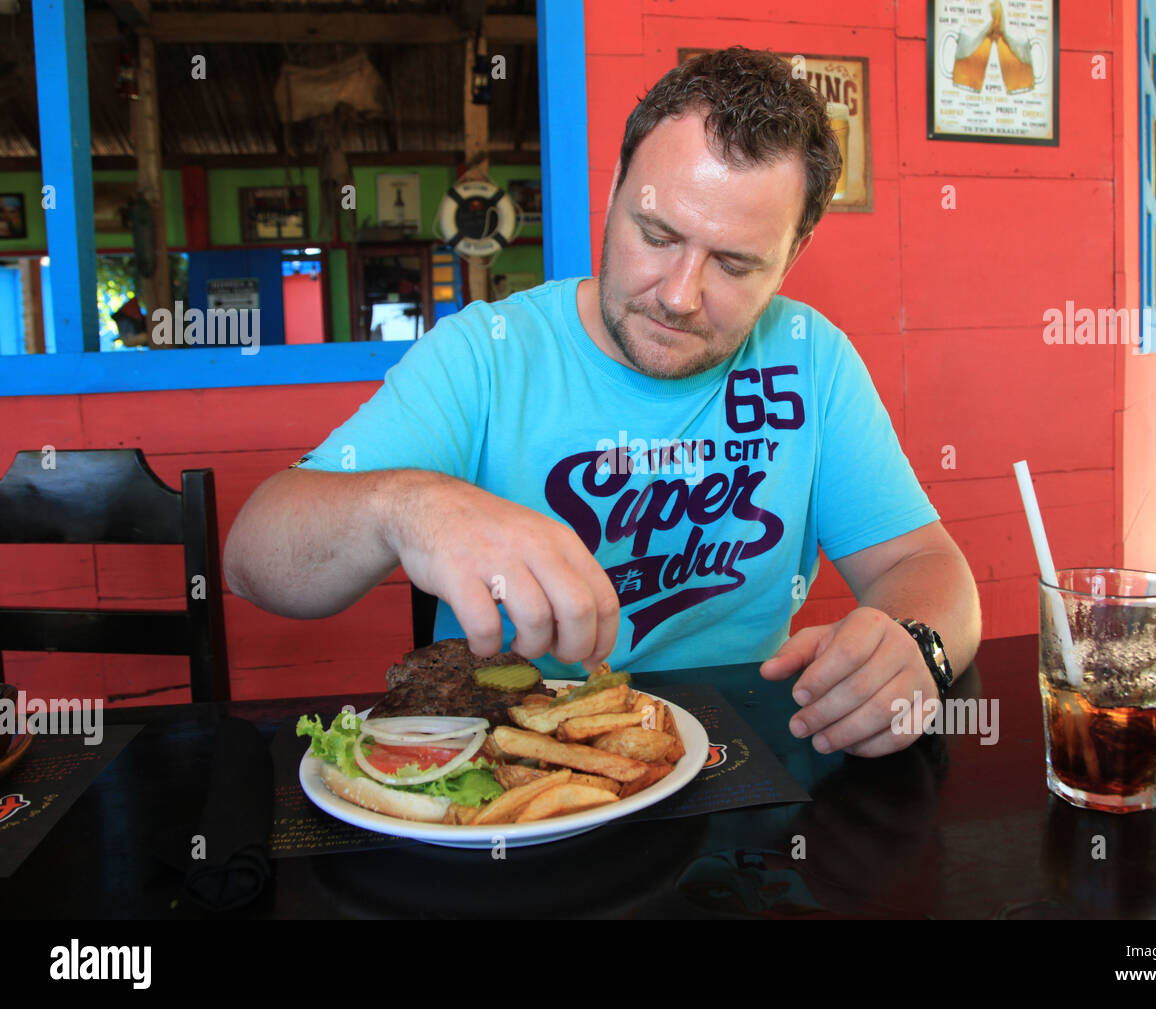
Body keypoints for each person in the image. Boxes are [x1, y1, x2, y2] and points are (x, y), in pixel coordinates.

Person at [225, 46, 981, 757]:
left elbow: (921, 561)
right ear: (617, 185)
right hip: (515, 768)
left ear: (793, 254)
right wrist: (406, 507)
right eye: (657, 235)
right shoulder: (486, 354)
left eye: (734, 263)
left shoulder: (812, 358)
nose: (679, 296)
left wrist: (918, 645)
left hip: (742, 761)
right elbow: (252, 562)